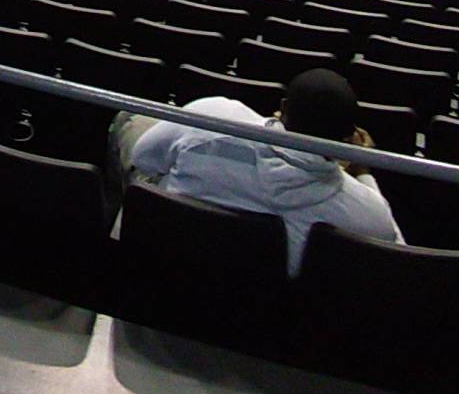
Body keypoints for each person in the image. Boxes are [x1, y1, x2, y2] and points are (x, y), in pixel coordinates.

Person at [107, 68, 400, 274]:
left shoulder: (216, 114)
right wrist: (362, 170)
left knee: (132, 118)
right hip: (253, 308)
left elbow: (145, 159)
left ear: (283, 108)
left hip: (167, 263)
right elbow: (391, 238)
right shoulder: (364, 209)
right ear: (348, 140)